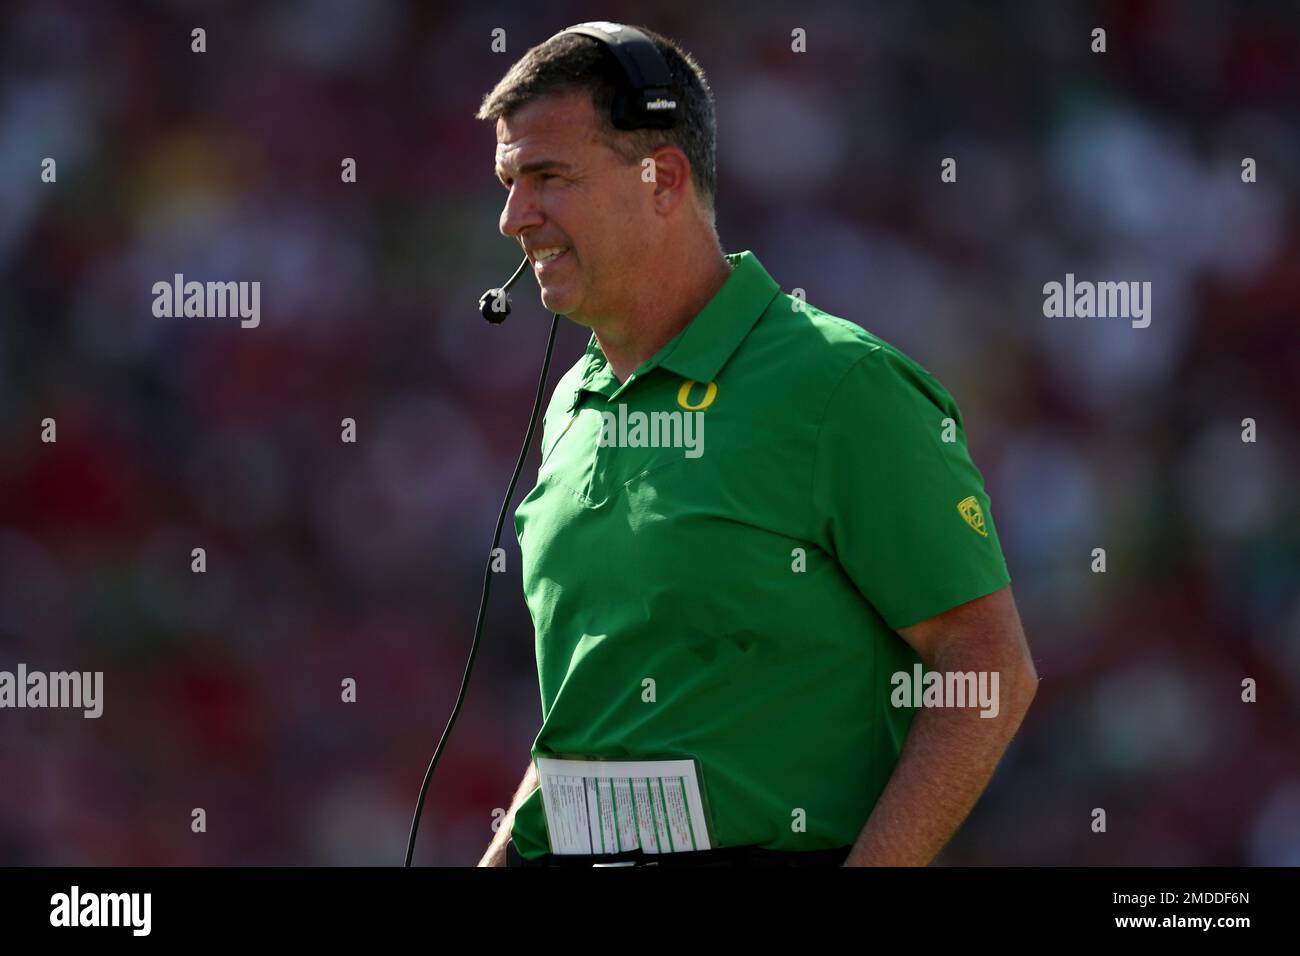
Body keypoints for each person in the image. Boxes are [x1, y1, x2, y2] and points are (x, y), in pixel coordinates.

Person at [473, 23, 1037, 867]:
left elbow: (989, 665)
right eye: (509, 182)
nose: (514, 217)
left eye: (548, 177)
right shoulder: (570, 405)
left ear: (663, 177)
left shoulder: (841, 385)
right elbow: (593, 724)